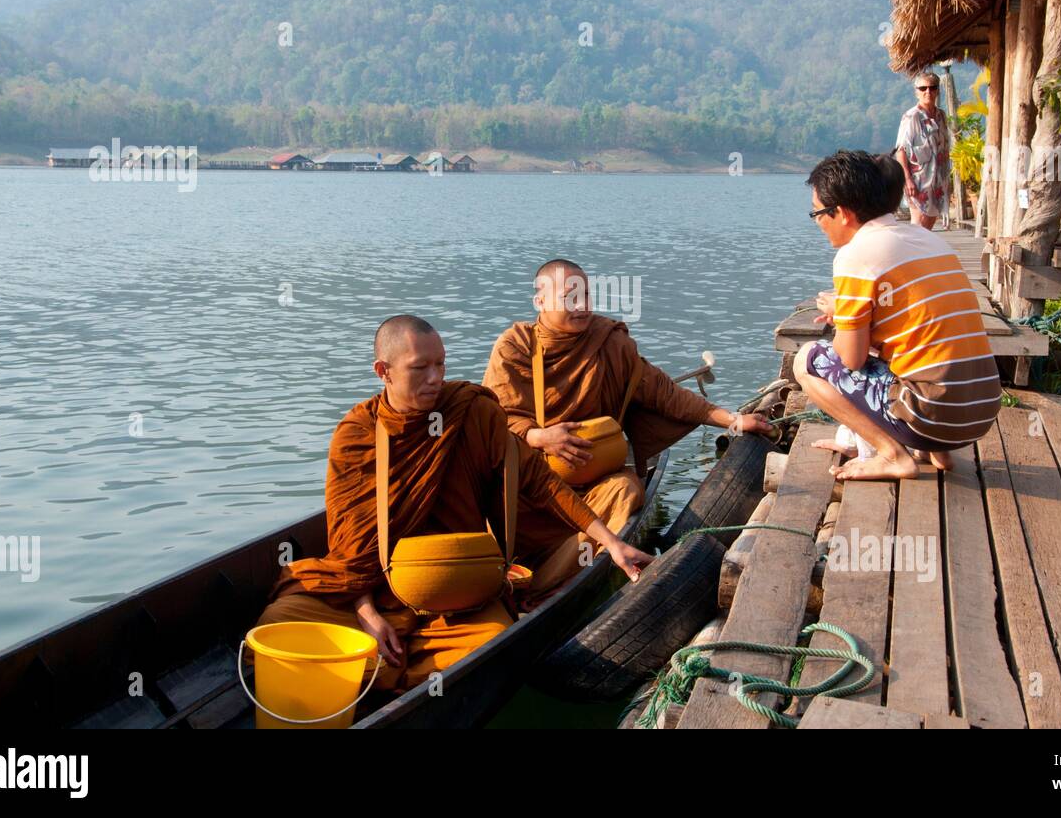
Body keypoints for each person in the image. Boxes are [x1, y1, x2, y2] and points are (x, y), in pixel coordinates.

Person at [252, 314, 653, 692]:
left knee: (493, 640)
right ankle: (388, 656)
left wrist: (612, 543)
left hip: (454, 597)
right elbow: (350, 550)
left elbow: (541, 482)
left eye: (441, 365)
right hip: (378, 593)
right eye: (420, 368)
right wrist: (368, 614)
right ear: (383, 371)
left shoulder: (470, 412)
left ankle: (380, 667)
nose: (434, 378)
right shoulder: (356, 435)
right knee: (279, 618)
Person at [483, 259, 773, 596]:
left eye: (586, 296)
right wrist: (538, 436)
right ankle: (507, 576)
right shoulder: (515, 346)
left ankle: (547, 587)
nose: (581, 306)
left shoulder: (608, 341)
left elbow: (663, 394)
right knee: (493, 504)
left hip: (594, 484)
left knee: (628, 490)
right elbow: (493, 419)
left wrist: (735, 421)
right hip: (533, 488)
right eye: (568, 297)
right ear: (540, 302)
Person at [795, 151, 1002, 481]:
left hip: (933, 415)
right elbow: (916, 321)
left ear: (843, 213)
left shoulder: (855, 255)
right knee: (919, 345)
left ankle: (892, 456)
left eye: (818, 213)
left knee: (808, 360)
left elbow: (851, 359)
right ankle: (939, 452)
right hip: (981, 412)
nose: (818, 223)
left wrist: (844, 318)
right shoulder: (928, 239)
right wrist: (847, 312)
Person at [894, 70, 951, 230]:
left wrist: (948, 180)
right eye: (923, 88)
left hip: (938, 181)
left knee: (929, 225)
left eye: (932, 88)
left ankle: (923, 254)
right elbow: (901, 150)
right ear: (916, 92)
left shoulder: (941, 116)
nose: (928, 92)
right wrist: (907, 179)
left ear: (938, 90)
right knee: (918, 226)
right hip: (918, 181)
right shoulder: (911, 117)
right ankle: (912, 254)